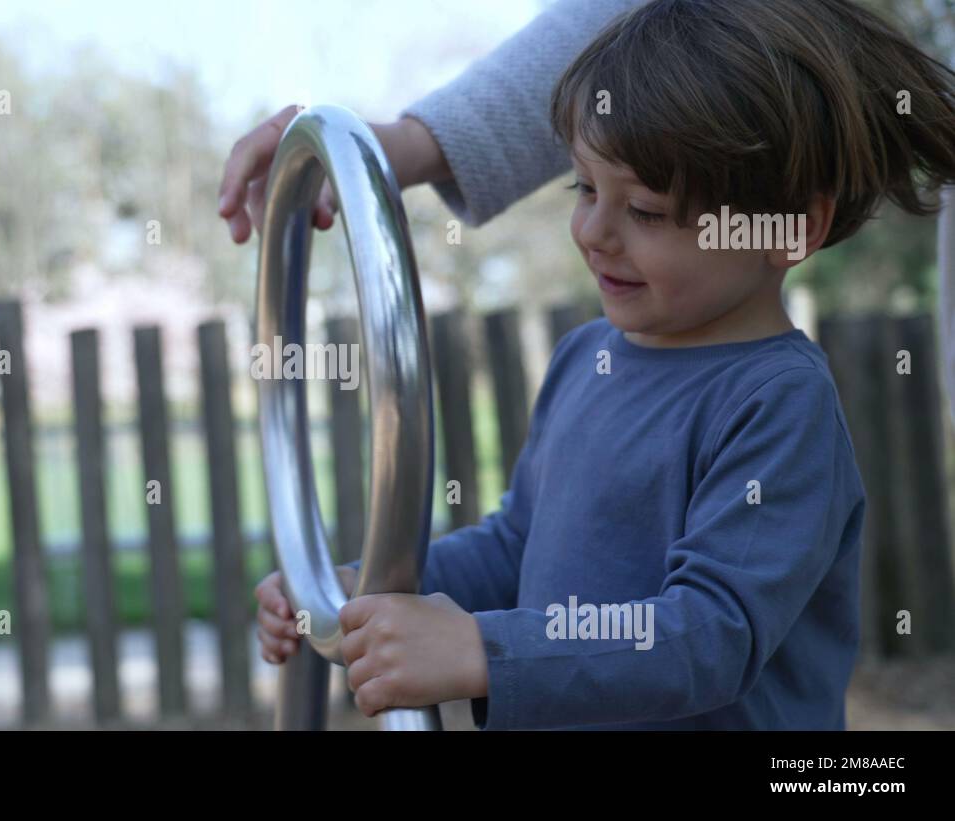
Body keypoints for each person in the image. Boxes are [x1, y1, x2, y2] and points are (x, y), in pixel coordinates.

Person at [226, 0, 955, 729]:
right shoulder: (586, 359)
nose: (594, 232)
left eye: (644, 210)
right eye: (584, 187)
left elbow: (709, 632)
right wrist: (359, 592)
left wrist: (484, 648)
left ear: (792, 227)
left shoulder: (776, 405)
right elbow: (519, 546)